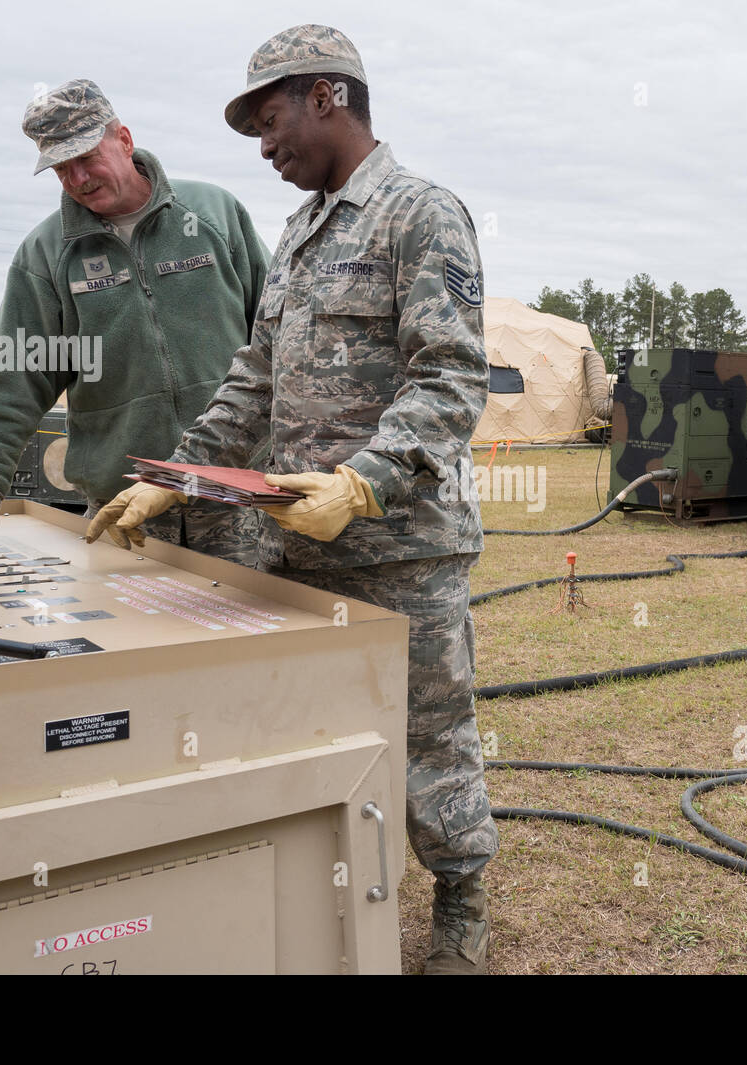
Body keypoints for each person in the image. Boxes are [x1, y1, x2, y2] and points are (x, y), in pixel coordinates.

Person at [86, 26, 498, 974]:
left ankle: (460, 907)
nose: (263, 147)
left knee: (429, 736)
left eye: (270, 122)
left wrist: (365, 483)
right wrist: (168, 480)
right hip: (292, 548)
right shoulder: (300, 234)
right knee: (310, 732)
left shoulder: (420, 214)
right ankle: (327, 897)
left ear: (327, 97)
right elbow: (252, 386)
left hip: (401, 547)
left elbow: (451, 378)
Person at [0, 79, 271, 562]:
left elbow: (280, 339)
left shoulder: (212, 215)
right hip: (124, 510)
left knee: (258, 635)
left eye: (86, 158)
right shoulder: (48, 254)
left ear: (123, 139)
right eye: (61, 168)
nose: (77, 178)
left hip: (239, 499)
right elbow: (13, 381)